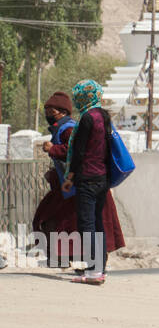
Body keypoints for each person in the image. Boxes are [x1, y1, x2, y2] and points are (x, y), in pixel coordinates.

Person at [63, 80, 114, 284]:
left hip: (87, 178)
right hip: (102, 178)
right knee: (98, 223)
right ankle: (100, 267)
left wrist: (70, 177)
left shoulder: (86, 118)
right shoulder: (103, 115)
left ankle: (94, 272)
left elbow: (79, 151)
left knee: (87, 224)